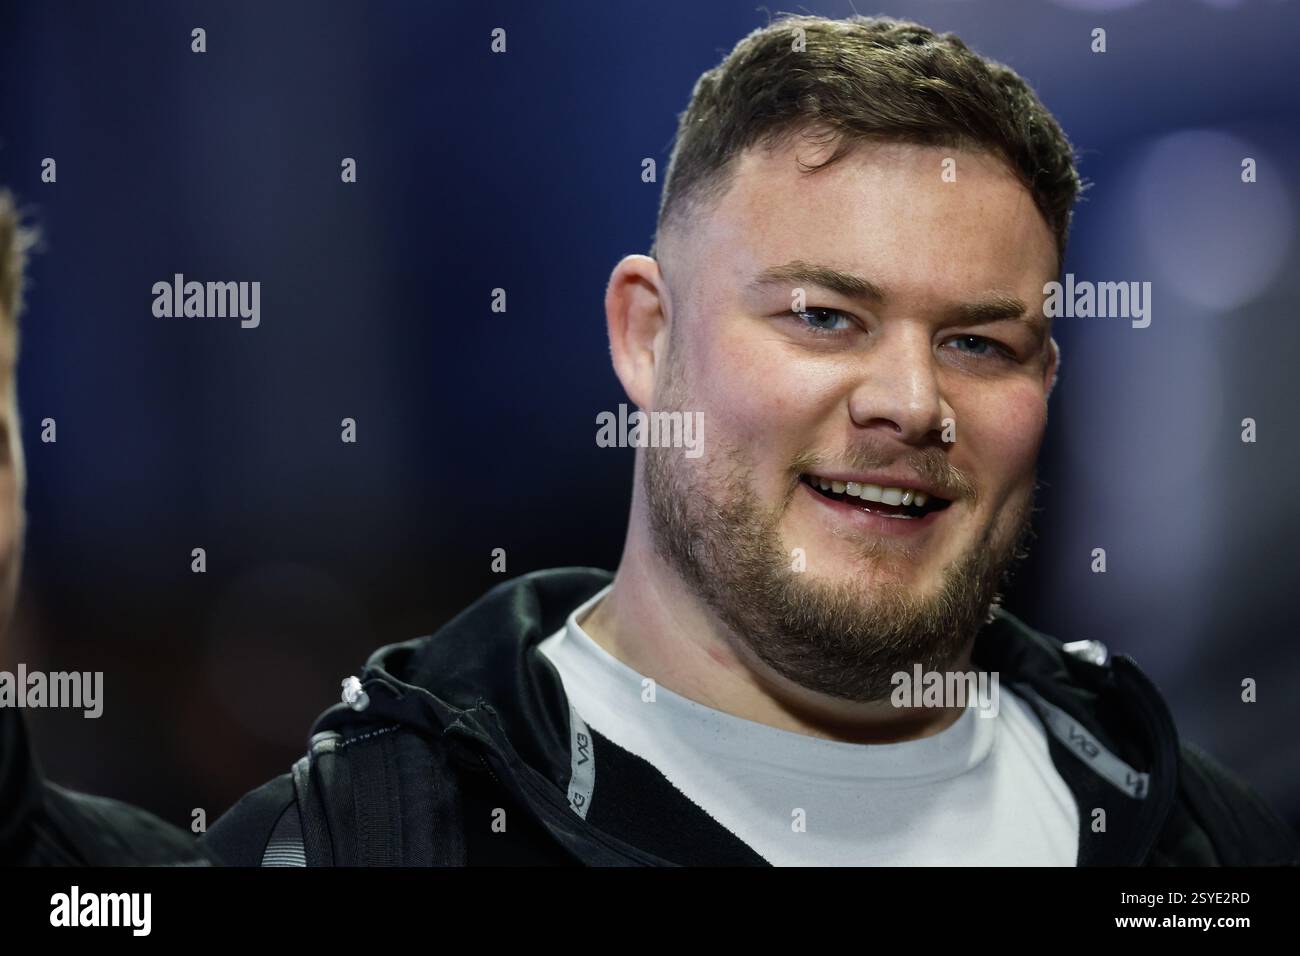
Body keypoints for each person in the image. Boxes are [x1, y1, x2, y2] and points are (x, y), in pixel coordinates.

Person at [3, 14, 1296, 867]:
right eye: (827, 316)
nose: (911, 395)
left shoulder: (1187, 834)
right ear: (643, 330)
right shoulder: (377, 823)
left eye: (980, 343)